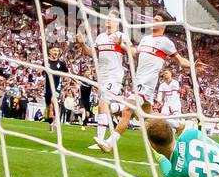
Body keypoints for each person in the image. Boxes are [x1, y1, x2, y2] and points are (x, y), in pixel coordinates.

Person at [99, 13, 202, 152]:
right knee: (149, 116)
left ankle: (109, 143)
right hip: (139, 82)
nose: (153, 22)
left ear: (163, 25)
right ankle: (178, 125)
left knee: (127, 110)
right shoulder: (145, 39)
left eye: (157, 20)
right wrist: (122, 45)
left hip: (146, 85)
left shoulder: (166, 42)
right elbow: (135, 54)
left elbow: (180, 60)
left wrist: (193, 65)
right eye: (153, 19)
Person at [78, 11, 127, 151]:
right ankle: (122, 107)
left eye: (111, 18)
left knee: (102, 103)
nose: (108, 20)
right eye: (107, 18)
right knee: (102, 107)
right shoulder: (100, 37)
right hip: (103, 77)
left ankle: (100, 140)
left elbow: (132, 51)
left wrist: (122, 45)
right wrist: (82, 44)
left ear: (118, 21)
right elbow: (91, 53)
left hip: (115, 76)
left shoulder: (121, 36)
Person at [43, 45, 69, 133]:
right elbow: (42, 73)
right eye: (54, 50)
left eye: (57, 51)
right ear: (50, 52)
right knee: (48, 106)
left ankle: (57, 120)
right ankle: (51, 123)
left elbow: (67, 73)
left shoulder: (61, 63)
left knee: (53, 102)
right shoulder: (46, 62)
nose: (56, 52)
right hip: (47, 87)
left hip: (57, 86)